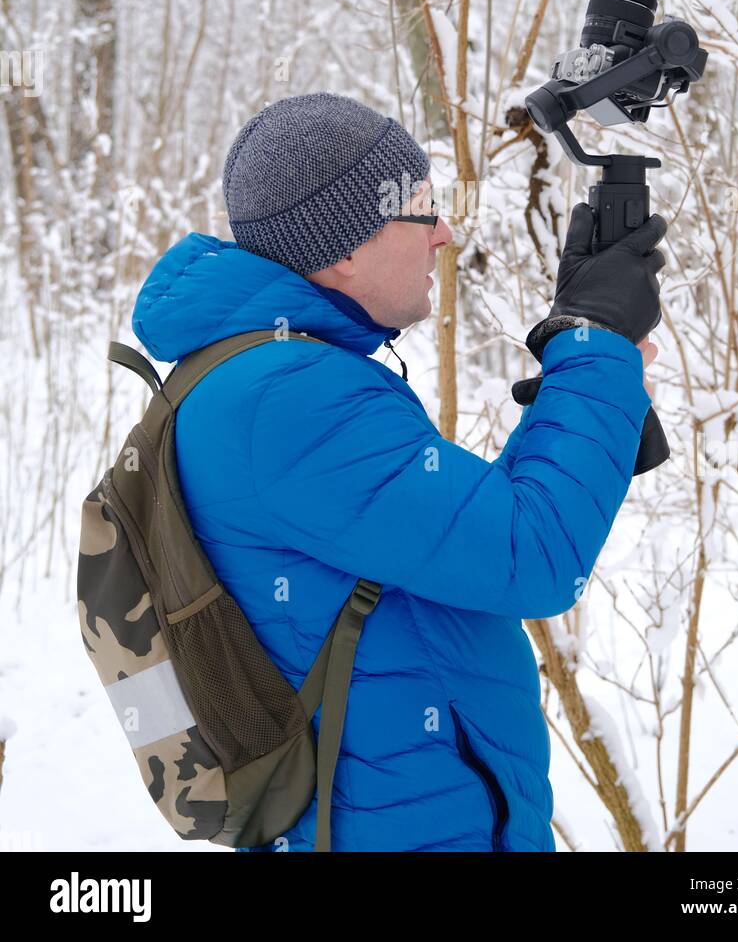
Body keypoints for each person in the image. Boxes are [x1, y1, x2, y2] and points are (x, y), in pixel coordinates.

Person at [131, 91, 666, 852]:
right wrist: (594, 346)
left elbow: (465, 536)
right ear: (343, 248)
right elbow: (531, 555)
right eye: (422, 211)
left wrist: (587, 373)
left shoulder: (269, 377)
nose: (444, 233)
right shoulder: (287, 399)